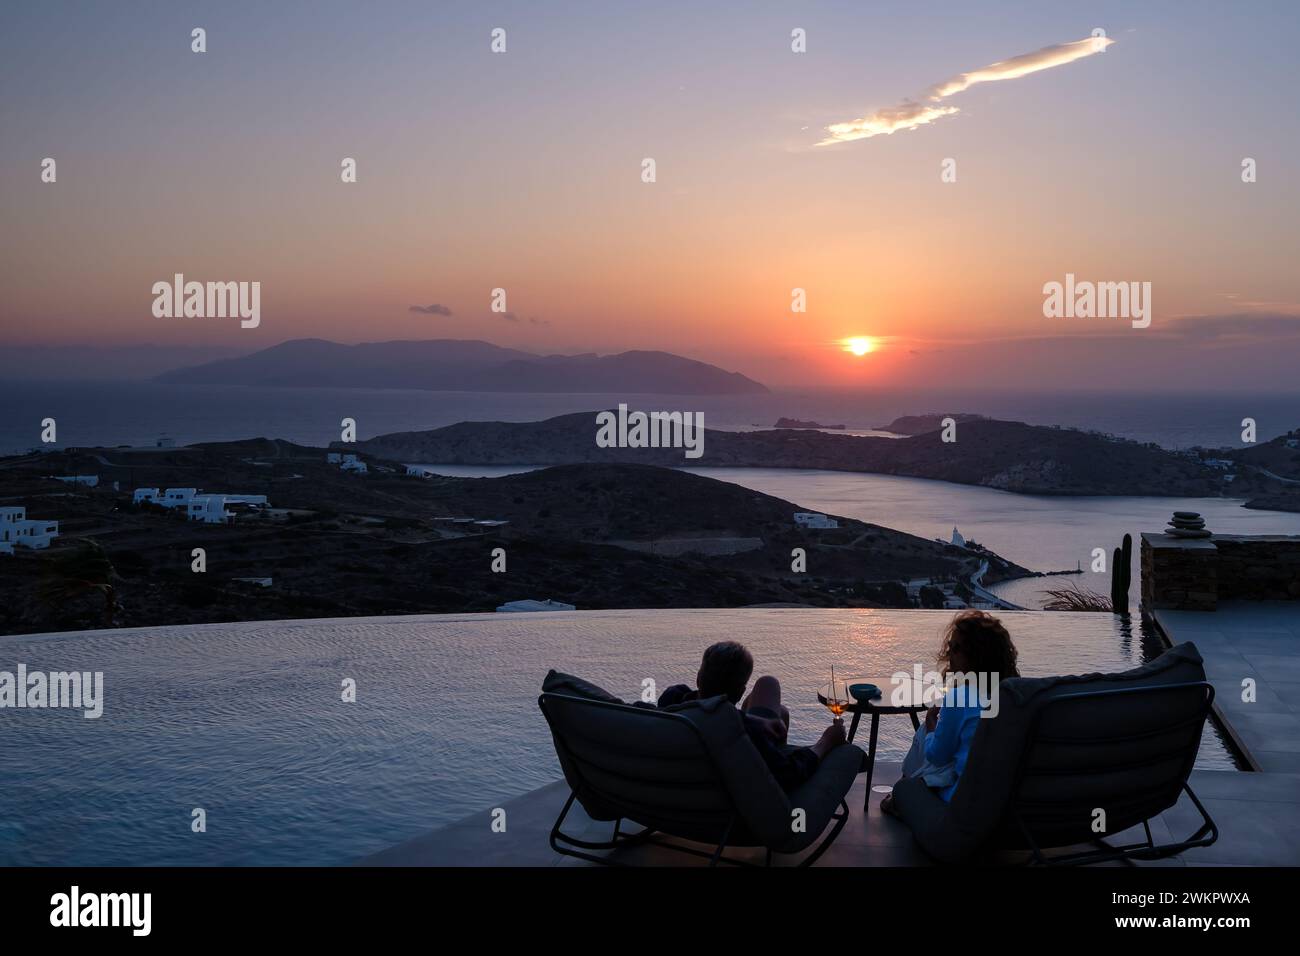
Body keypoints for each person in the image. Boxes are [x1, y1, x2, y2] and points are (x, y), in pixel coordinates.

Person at [657, 641, 845, 791]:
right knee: (772, 691)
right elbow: (790, 774)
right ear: (740, 692)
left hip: (680, 796)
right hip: (729, 809)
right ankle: (778, 747)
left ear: (698, 678)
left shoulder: (671, 701)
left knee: (775, 700)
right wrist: (826, 742)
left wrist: (752, 719)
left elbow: (704, 712)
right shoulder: (742, 732)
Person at [881, 610, 1020, 814]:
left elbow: (937, 756)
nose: (950, 654)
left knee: (923, 738)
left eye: (956, 648)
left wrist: (930, 728)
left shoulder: (962, 696)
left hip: (963, 804)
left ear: (977, 654)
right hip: (1005, 799)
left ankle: (901, 795)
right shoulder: (1016, 694)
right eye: (950, 647)